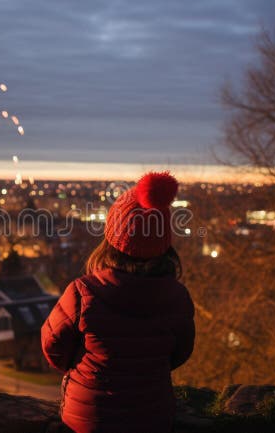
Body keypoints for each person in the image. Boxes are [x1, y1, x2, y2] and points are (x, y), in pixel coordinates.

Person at [41, 171, 196, 433]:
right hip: (152, 418)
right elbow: (180, 353)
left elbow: (52, 346)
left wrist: (83, 367)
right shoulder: (177, 298)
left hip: (88, 420)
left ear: (111, 240)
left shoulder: (82, 293)